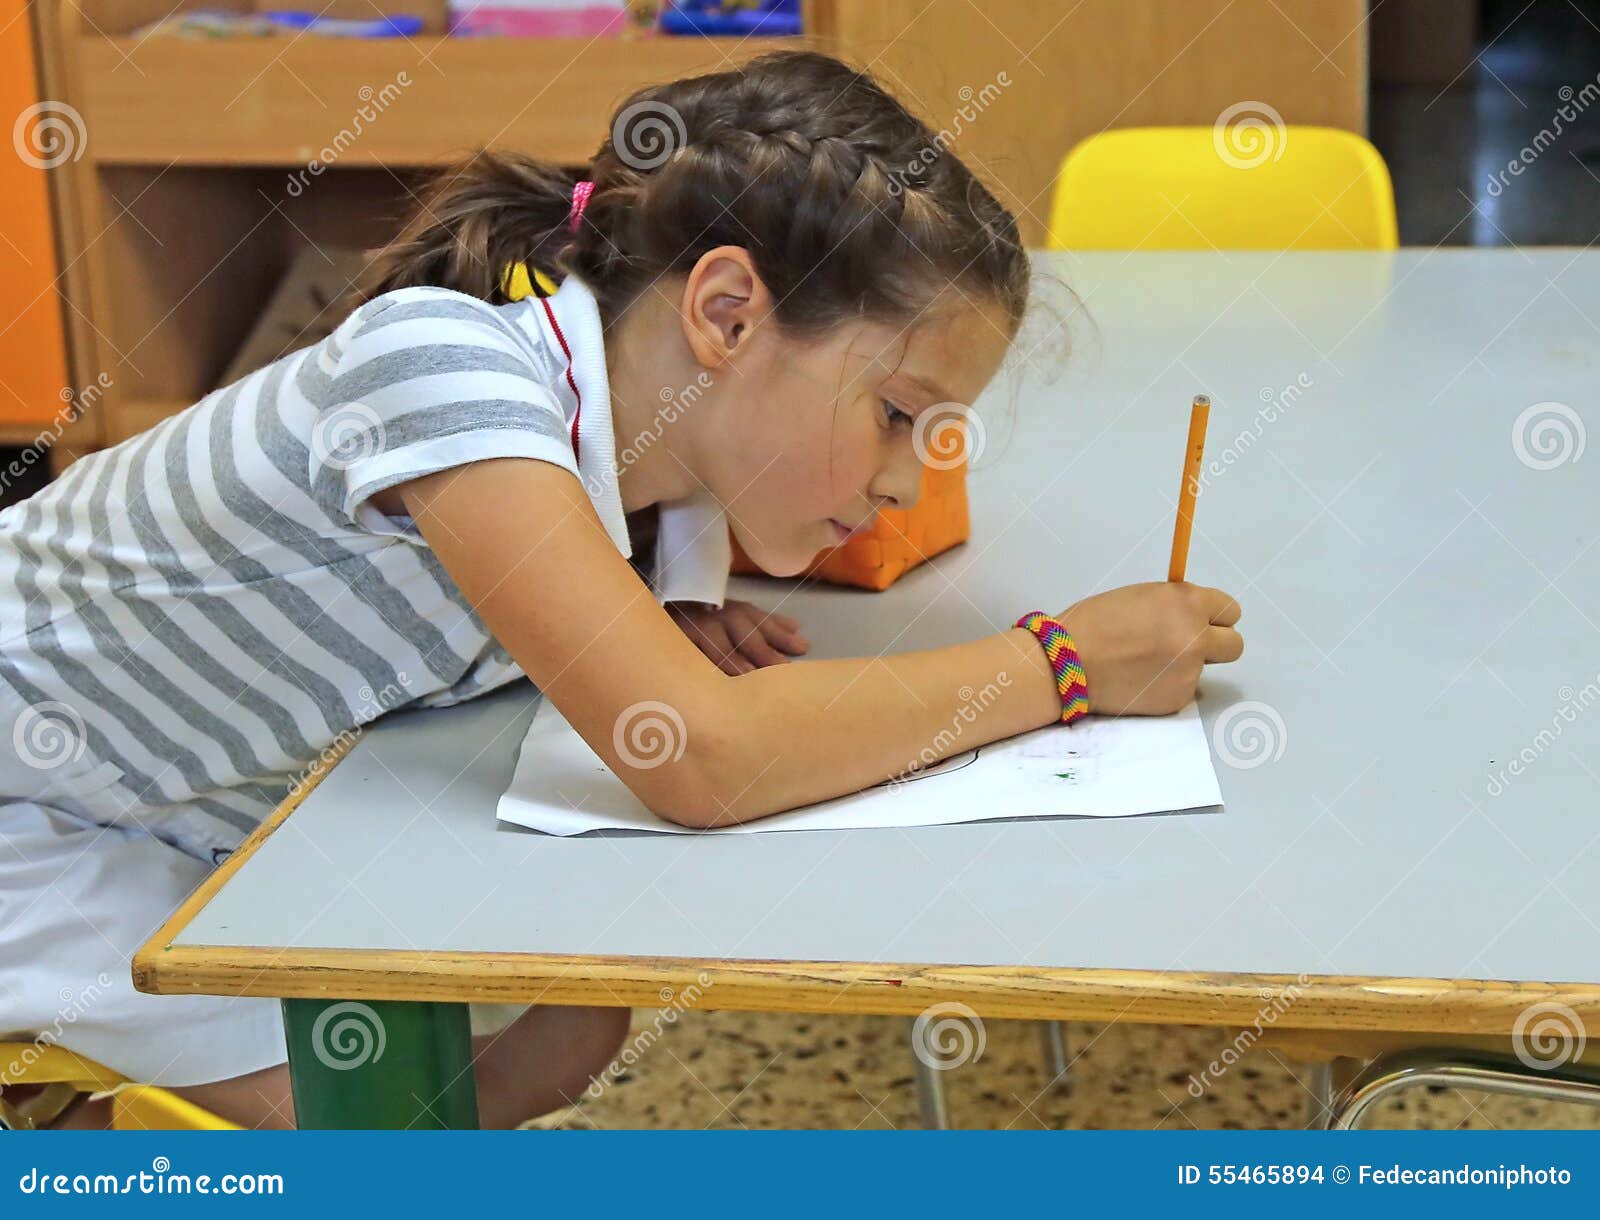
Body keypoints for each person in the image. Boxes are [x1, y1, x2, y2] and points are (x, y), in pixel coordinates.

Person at [0, 50, 1241, 1128]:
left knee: (533, 1046)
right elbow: (699, 756)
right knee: (404, 1106)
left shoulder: (669, 469)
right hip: (24, 808)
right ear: (725, 314)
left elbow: (674, 685)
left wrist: (661, 621)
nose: (911, 480)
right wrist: (1057, 664)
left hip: (183, 799)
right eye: (897, 415)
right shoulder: (443, 367)